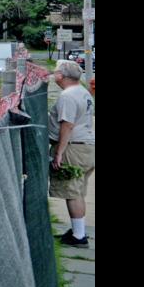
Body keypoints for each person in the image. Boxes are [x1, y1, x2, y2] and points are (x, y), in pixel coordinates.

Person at [49, 60, 95, 248]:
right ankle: (79, 230)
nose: (53, 75)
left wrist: (59, 152)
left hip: (73, 147)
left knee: (72, 192)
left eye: (55, 72)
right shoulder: (84, 92)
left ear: (62, 76)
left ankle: (78, 237)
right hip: (88, 146)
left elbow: (67, 124)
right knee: (78, 191)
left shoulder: (67, 96)